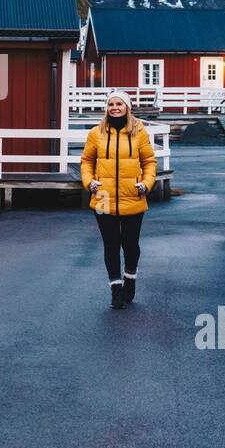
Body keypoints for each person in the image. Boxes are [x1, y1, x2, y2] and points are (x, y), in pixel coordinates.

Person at [80, 90, 156, 309]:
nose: (114, 107)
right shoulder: (96, 133)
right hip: (103, 196)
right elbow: (86, 161)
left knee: (130, 244)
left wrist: (146, 184)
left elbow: (149, 161)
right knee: (111, 244)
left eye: (119, 104)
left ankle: (130, 277)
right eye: (111, 104)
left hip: (133, 194)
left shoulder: (139, 132)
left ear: (127, 107)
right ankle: (115, 289)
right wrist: (89, 182)